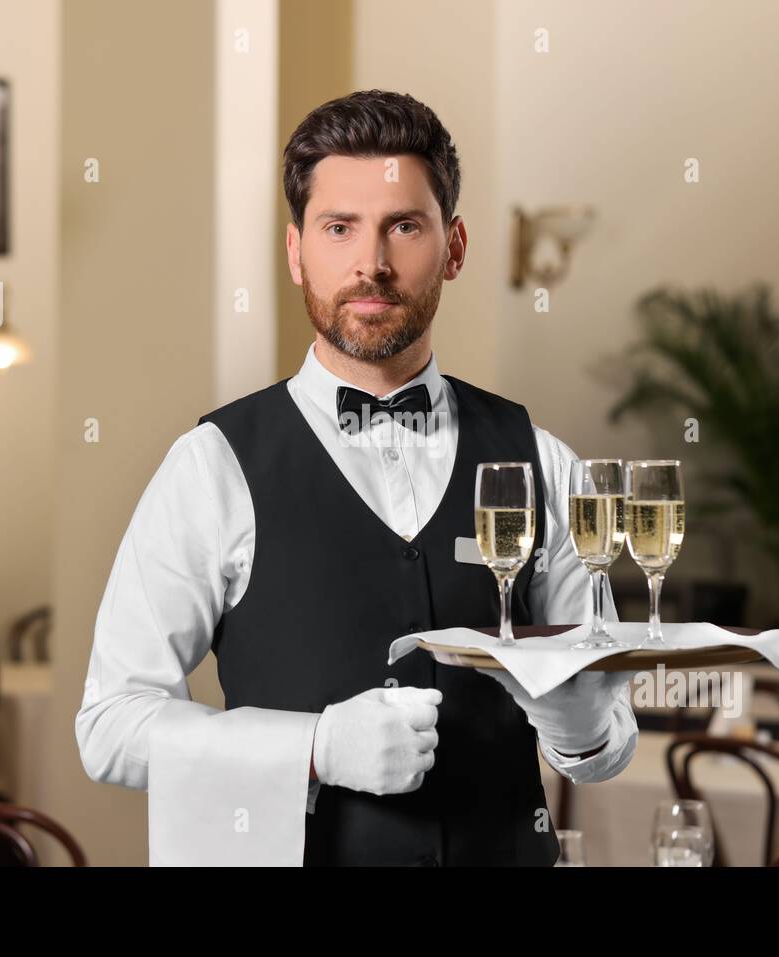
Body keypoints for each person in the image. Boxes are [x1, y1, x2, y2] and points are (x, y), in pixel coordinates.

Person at [76, 90, 638, 866]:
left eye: (403, 226)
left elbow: (606, 750)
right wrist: (314, 746)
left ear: (454, 247)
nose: (370, 262)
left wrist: (578, 720)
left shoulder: (540, 460)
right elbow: (109, 723)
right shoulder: (213, 467)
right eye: (338, 228)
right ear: (297, 250)